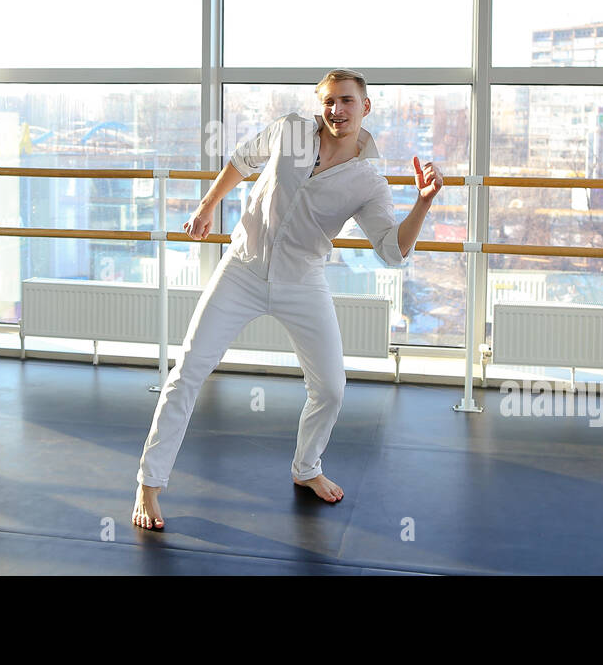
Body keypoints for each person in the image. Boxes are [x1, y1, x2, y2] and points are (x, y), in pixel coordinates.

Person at [132, 69, 443, 530]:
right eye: (330, 101)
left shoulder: (368, 182)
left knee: (331, 388)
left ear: (366, 106)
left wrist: (424, 203)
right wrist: (206, 205)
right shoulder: (292, 130)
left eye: (347, 101)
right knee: (187, 373)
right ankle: (148, 484)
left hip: (302, 280)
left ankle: (307, 468)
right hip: (242, 268)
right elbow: (242, 159)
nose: (337, 110)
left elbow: (393, 252)